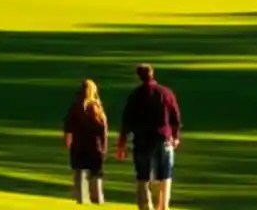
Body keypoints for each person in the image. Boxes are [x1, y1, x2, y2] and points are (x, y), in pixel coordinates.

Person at [116, 64, 182, 210]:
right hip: (163, 139)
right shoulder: (166, 93)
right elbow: (175, 117)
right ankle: (163, 206)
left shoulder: (135, 96)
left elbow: (127, 121)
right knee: (164, 175)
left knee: (142, 176)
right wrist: (176, 136)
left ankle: (146, 206)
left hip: (142, 140)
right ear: (153, 74)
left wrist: (121, 143)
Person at [64, 79, 109, 204]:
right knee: (96, 174)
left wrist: (68, 141)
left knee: (79, 173)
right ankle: (97, 198)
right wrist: (104, 147)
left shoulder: (76, 107)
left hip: (79, 146)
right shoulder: (98, 108)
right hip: (95, 146)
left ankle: (82, 199)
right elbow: (103, 129)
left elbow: (68, 127)